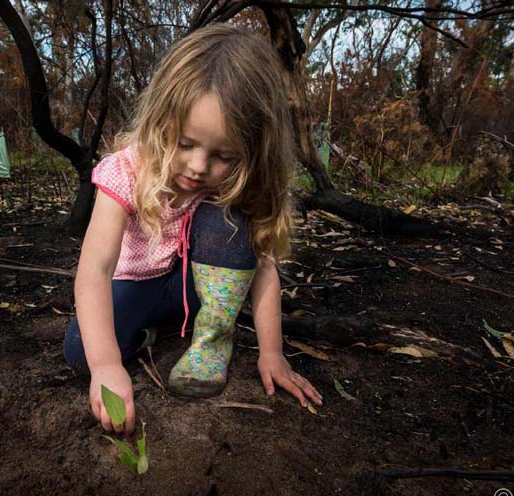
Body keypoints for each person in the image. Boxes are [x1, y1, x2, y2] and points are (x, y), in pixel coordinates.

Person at [63, 24, 323, 435]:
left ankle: (213, 341)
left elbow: (264, 267)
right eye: (185, 144)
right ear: (161, 121)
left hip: (195, 280)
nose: (199, 167)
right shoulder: (126, 172)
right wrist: (107, 366)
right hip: (134, 282)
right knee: (81, 353)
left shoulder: (237, 181)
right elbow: (94, 270)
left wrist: (272, 352)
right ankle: (152, 333)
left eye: (223, 154)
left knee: (229, 219)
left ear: (253, 152)